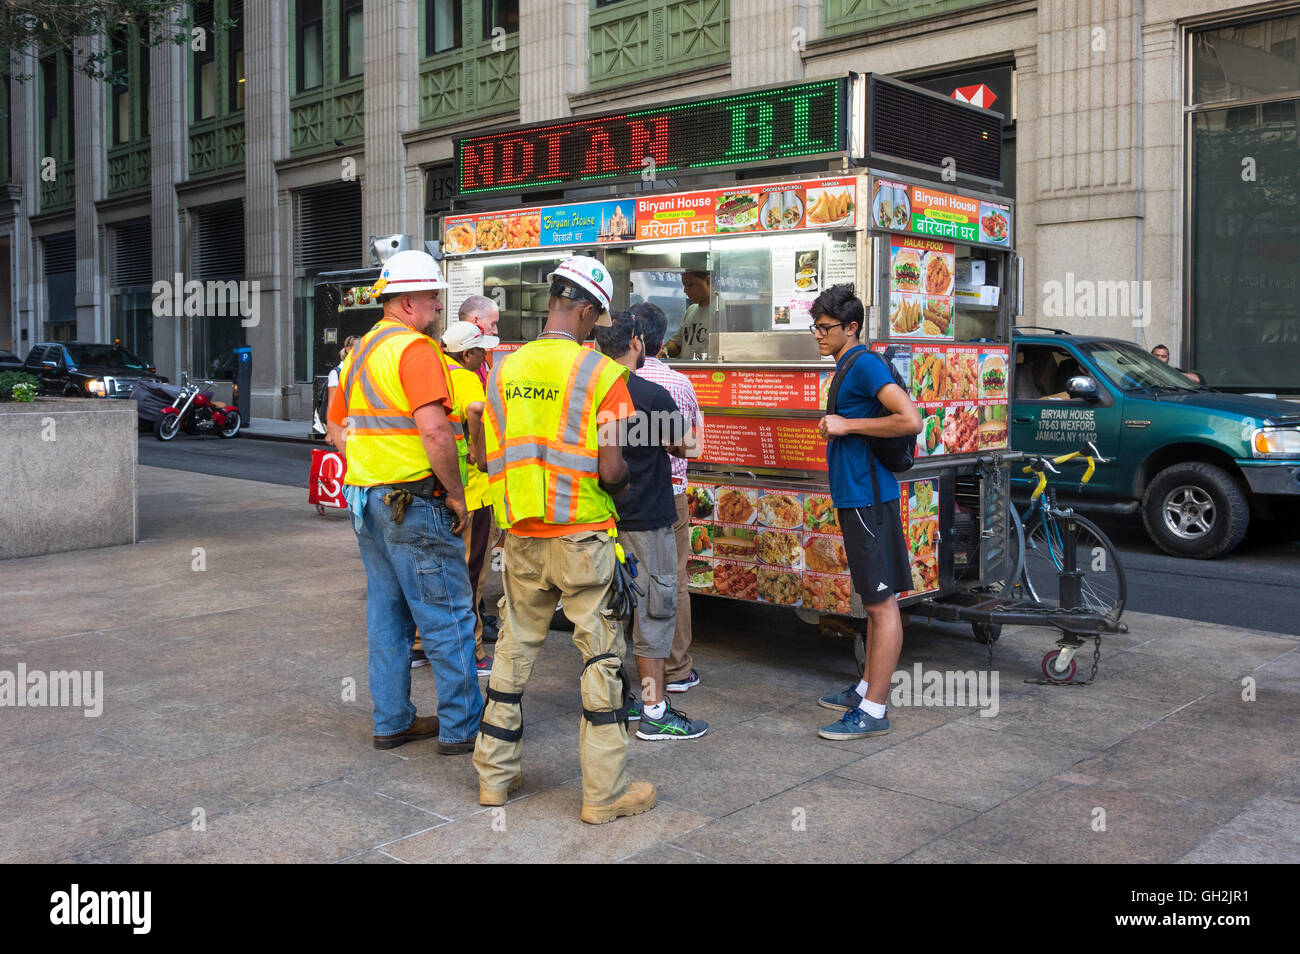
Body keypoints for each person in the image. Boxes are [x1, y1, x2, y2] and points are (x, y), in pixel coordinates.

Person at [473, 255, 657, 824]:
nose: (596, 328)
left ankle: (494, 780)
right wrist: (622, 486)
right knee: (601, 659)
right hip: (582, 538)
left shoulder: (503, 369)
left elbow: (486, 455)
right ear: (584, 310)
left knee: (512, 653)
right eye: (596, 318)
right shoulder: (602, 375)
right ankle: (603, 795)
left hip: (522, 537)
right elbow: (611, 468)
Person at [327, 249, 483, 754]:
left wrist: (372, 465)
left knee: (387, 618)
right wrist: (457, 495)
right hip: (413, 503)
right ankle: (463, 727)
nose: (438, 306)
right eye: (433, 297)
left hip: (367, 503)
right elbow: (434, 432)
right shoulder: (414, 350)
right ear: (409, 301)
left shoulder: (360, 352)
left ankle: (392, 721)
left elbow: (337, 428)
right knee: (448, 616)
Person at [810, 284, 922, 740]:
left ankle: (873, 710)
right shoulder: (849, 365)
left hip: (868, 498)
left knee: (881, 605)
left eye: (825, 327)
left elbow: (910, 419)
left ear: (851, 327)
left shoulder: (865, 364)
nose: (818, 334)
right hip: (858, 496)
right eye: (815, 327)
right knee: (875, 604)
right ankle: (864, 690)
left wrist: (847, 424)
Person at [595, 310, 707, 742]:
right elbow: (687, 446)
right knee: (654, 610)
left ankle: (614, 698)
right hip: (648, 519)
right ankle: (654, 709)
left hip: (599, 517)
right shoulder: (651, 394)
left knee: (606, 610)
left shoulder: (589, 390)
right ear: (636, 342)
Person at [632, 301, 704, 694]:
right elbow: (693, 443)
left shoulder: (609, 380)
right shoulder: (679, 383)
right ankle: (675, 670)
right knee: (672, 579)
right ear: (660, 343)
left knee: (620, 578)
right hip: (670, 494)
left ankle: (613, 671)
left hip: (618, 494)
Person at [440, 319, 500, 677]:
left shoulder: (435, 371)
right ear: (466, 354)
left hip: (440, 490)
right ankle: (473, 652)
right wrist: (478, 449)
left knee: (442, 575)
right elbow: (476, 410)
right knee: (470, 576)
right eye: (480, 351)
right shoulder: (464, 378)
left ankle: (421, 644)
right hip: (472, 494)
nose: (484, 357)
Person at [664, 270, 711, 359]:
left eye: (690, 285)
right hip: (687, 367)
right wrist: (663, 352)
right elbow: (677, 344)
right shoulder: (691, 310)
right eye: (684, 285)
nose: (685, 290)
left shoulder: (721, 311)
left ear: (708, 281)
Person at [325, 335, 360, 450]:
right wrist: (331, 431)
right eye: (358, 347)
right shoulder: (337, 373)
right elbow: (332, 403)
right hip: (344, 422)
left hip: (359, 422)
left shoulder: (362, 370)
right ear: (348, 349)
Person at [459, 295, 500, 386]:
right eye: (492, 324)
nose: (496, 331)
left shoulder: (477, 352)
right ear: (476, 320)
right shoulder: (467, 356)